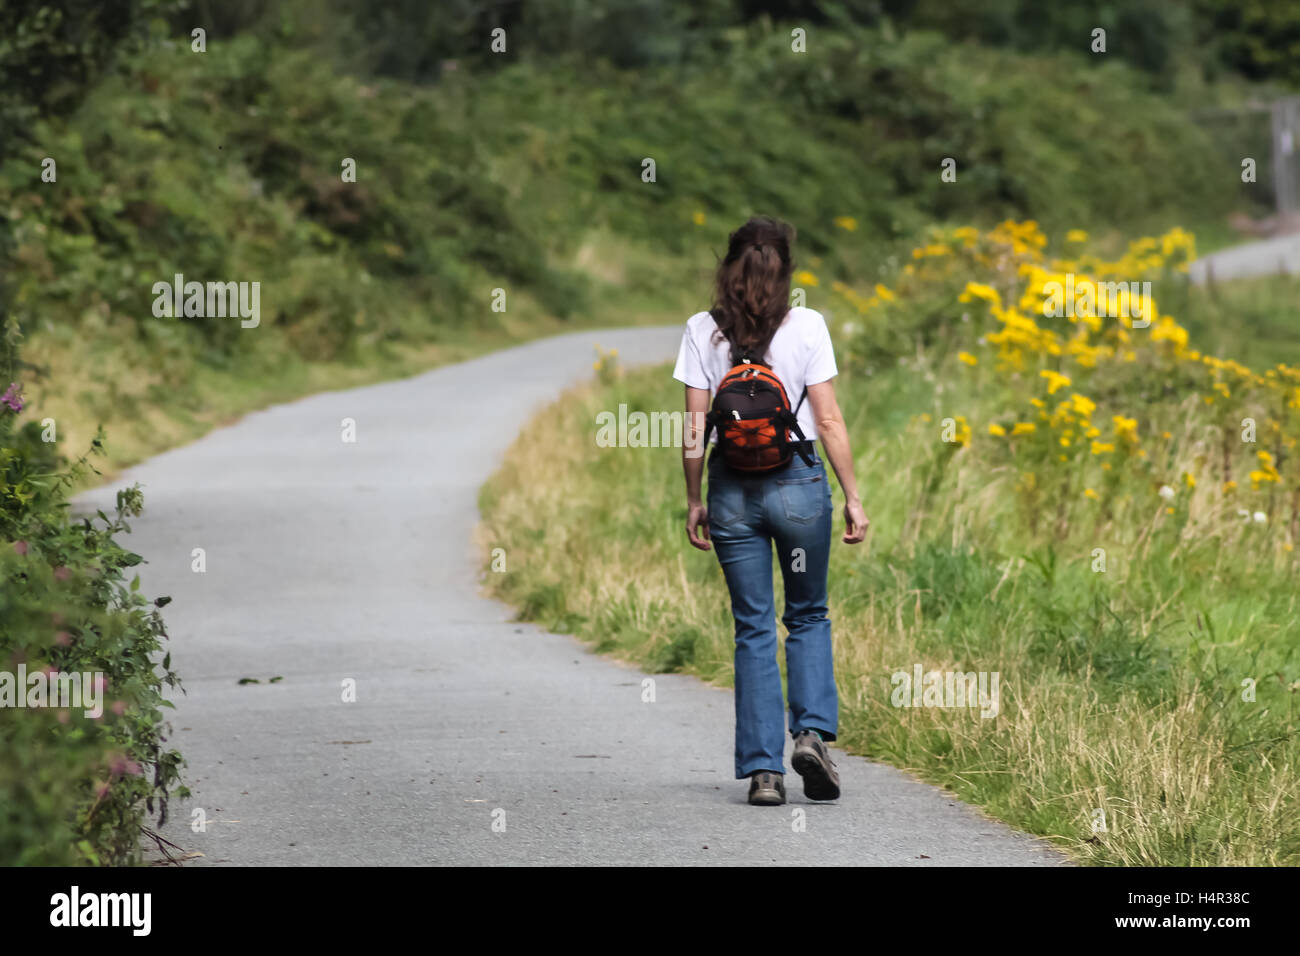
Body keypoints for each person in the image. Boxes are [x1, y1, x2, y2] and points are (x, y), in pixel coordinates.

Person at [673, 216, 869, 806]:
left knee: (753, 626)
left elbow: (693, 429)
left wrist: (694, 499)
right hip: (799, 487)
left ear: (729, 267)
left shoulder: (701, 330)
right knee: (807, 614)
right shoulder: (807, 325)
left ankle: (764, 773)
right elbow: (829, 420)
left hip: (733, 491)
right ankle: (809, 735)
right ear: (786, 271)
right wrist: (853, 495)